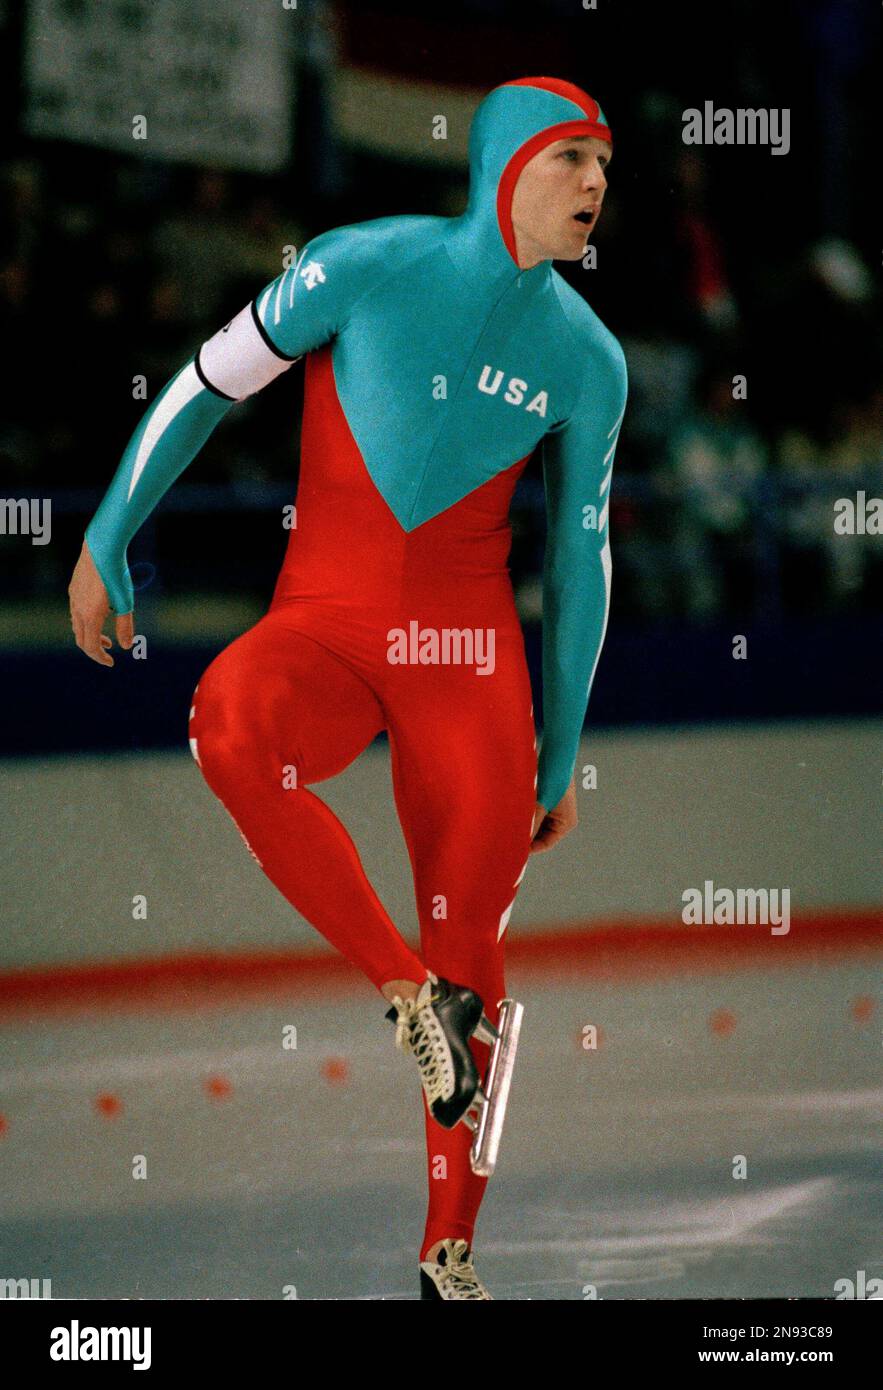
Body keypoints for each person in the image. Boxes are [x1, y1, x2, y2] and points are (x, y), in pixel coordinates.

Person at [68, 76, 628, 1300]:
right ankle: (398, 985)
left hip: (467, 670)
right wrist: (110, 531)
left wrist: (560, 744)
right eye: (569, 157)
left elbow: (579, 565)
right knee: (226, 722)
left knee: (477, 962)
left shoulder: (590, 361)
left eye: (604, 163)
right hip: (326, 628)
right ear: (503, 166)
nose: (595, 183)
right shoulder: (360, 266)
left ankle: (447, 1256)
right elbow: (211, 379)